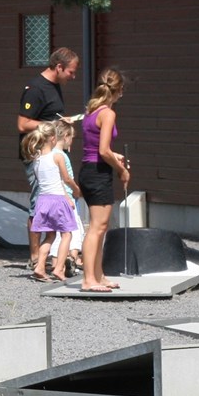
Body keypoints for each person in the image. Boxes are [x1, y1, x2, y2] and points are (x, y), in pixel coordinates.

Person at [17, 48, 79, 272]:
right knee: (38, 205)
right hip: (37, 157)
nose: (73, 77)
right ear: (59, 67)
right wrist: (53, 124)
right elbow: (23, 124)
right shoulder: (35, 88)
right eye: (71, 72)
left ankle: (52, 258)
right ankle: (35, 257)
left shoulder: (54, 87)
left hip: (54, 155)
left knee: (56, 203)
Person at [77, 68, 130, 294]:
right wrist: (121, 170)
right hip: (98, 172)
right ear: (117, 90)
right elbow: (103, 150)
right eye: (122, 91)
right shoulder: (107, 113)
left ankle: (99, 275)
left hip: (89, 169)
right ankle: (88, 279)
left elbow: (96, 148)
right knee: (96, 228)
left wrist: (114, 156)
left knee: (101, 227)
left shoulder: (91, 110)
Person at [28, 124, 83, 282]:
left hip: (43, 200)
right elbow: (65, 179)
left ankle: (39, 267)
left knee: (50, 235)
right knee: (67, 234)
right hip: (57, 200)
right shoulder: (57, 156)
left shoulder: (36, 159)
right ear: (53, 138)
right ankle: (59, 268)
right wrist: (76, 189)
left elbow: (49, 181)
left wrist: (66, 195)